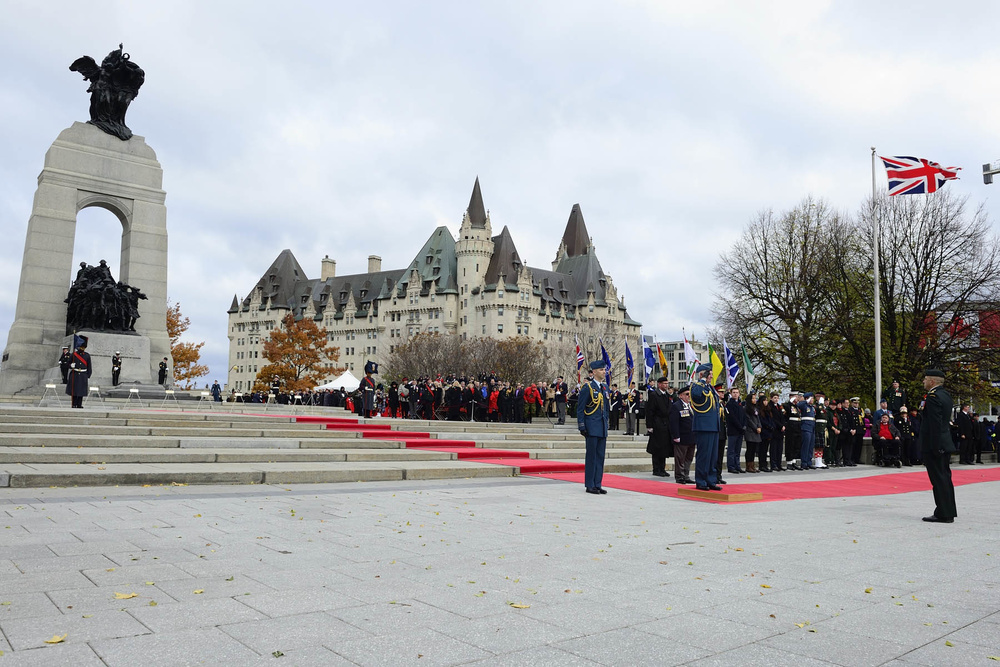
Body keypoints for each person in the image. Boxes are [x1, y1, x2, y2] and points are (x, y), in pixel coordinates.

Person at [918, 369, 957, 523]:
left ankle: (943, 513)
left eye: (925, 379)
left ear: (932, 381)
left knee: (938, 479)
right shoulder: (945, 395)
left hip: (935, 444)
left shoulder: (933, 397)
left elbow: (935, 424)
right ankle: (948, 511)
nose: (923, 381)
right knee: (945, 478)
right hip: (944, 442)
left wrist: (935, 446)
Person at [578, 359, 610, 494]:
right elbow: (580, 408)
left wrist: (606, 423)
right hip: (591, 426)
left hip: (601, 427)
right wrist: (582, 426)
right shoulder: (588, 387)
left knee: (600, 457)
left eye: (604, 369)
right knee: (591, 457)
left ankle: (598, 483)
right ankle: (590, 484)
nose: (604, 372)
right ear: (595, 372)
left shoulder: (605, 387)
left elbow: (606, 408)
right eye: (601, 370)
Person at [690, 363, 722, 491]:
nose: (711, 377)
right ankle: (701, 480)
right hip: (704, 426)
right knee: (704, 455)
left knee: (713, 456)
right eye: (710, 374)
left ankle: (711, 479)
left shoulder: (711, 388)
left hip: (713, 426)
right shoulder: (697, 386)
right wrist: (702, 379)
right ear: (703, 374)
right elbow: (696, 395)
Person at [644, 376, 673, 477]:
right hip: (657, 424)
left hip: (666, 424)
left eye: (667, 383)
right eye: (664, 383)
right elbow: (649, 411)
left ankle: (662, 468)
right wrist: (649, 425)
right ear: (659, 384)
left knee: (664, 447)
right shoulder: (654, 395)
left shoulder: (667, 395)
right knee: (657, 448)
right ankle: (656, 469)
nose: (666, 385)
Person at [669, 385, 695, 484]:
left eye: (690, 394)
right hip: (682, 437)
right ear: (681, 396)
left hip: (691, 437)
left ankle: (686, 475)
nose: (689, 396)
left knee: (689, 458)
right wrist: (676, 436)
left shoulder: (691, 406)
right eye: (687, 394)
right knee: (680, 458)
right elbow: (674, 422)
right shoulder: (676, 406)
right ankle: (679, 476)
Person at [65, 336, 92, 408]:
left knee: (81, 390)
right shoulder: (74, 354)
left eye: (83, 348)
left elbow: (89, 366)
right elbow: (67, 364)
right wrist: (71, 365)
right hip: (75, 373)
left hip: (83, 374)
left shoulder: (87, 355)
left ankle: (79, 404)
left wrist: (88, 375)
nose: (82, 349)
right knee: (74, 390)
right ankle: (74, 404)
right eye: (81, 347)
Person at [725, 387, 746, 474]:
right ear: (731, 393)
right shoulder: (729, 404)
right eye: (733, 392)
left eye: (737, 392)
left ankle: (737, 466)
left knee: (737, 450)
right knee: (731, 450)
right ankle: (731, 466)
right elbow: (732, 417)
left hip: (740, 431)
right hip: (733, 430)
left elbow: (744, 416)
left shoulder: (740, 404)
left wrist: (744, 425)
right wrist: (740, 427)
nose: (735, 394)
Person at [743, 392, 762, 472]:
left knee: (754, 449)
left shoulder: (755, 408)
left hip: (756, 430)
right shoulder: (746, 408)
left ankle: (752, 465)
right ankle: (748, 466)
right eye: (753, 398)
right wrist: (755, 427)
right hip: (750, 430)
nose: (755, 400)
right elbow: (748, 420)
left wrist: (759, 426)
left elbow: (758, 418)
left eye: (755, 398)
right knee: (750, 449)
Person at [798, 392, 817, 470]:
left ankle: (809, 462)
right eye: (811, 398)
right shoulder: (804, 405)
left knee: (811, 446)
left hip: (812, 427)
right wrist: (806, 401)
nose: (812, 400)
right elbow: (799, 405)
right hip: (806, 427)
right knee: (805, 446)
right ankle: (804, 463)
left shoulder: (812, 407)